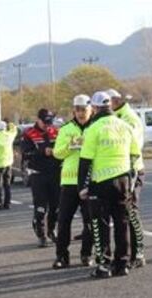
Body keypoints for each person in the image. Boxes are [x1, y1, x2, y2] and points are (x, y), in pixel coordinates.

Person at [79, 91, 140, 279]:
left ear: (96, 108)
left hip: (100, 182)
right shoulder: (125, 126)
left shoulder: (93, 129)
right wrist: (130, 179)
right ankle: (123, 264)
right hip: (122, 181)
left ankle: (104, 265)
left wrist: (82, 186)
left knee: (99, 224)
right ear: (110, 106)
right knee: (122, 223)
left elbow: (85, 160)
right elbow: (135, 154)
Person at [52, 94, 96, 268]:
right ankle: (62, 256)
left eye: (83, 110)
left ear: (91, 109)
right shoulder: (66, 129)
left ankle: (86, 254)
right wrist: (70, 146)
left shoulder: (95, 127)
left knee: (90, 221)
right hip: (69, 182)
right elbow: (57, 153)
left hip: (89, 181)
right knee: (63, 221)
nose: (80, 113)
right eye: (77, 110)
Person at [108, 89, 146, 268]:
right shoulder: (115, 117)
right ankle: (126, 252)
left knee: (131, 211)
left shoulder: (130, 119)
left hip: (132, 170)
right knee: (121, 213)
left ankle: (138, 252)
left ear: (114, 102)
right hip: (116, 171)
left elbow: (134, 147)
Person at [22, 108, 62, 246]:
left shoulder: (56, 131)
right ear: (38, 119)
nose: (47, 125)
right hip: (38, 174)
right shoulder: (29, 134)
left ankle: (51, 230)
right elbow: (26, 154)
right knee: (40, 207)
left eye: (49, 122)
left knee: (56, 206)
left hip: (56, 174)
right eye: (45, 122)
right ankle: (41, 234)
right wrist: (42, 151)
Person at [0, 120, 17, 210]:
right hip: (8, 163)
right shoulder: (9, 136)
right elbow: (14, 130)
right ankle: (7, 203)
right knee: (7, 184)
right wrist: (11, 124)